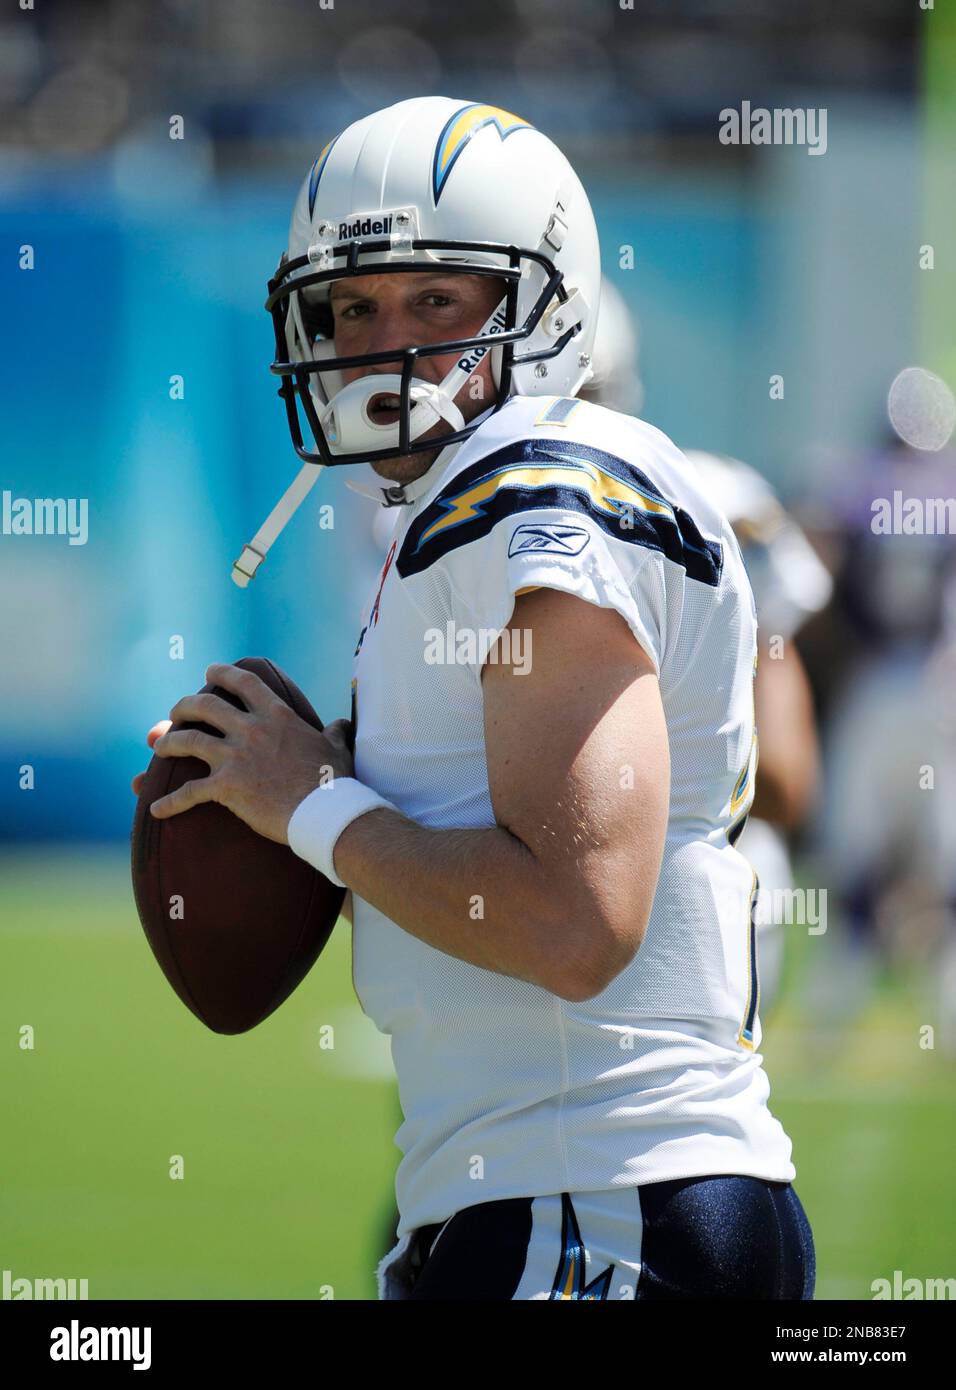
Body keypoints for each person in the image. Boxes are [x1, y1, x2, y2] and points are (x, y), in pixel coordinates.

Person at [132, 96, 814, 1300]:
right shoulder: (459, 509)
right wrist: (339, 791)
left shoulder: (535, 488)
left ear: (544, 304)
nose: (383, 341)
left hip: (597, 1198)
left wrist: (312, 804)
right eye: (351, 306)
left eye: (434, 300)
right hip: (541, 1189)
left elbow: (573, 922)